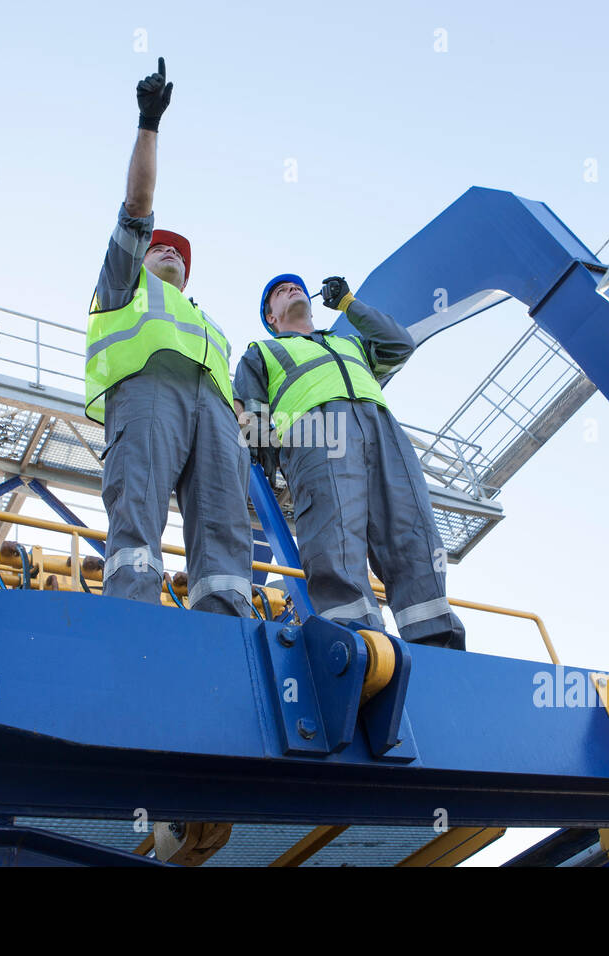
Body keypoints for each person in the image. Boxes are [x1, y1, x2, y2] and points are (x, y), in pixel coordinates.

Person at [84, 58, 251, 616]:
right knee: (138, 512)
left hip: (216, 412)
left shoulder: (212, 328)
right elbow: (137, 208)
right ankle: (130, 620)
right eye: (161, 247)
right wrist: (149, 122)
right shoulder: (125, 286)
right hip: (149, 390)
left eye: (180, 251)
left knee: (228, 529)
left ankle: (226, 631)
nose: (170, 250)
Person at [232, 274, 465, 649]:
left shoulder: (349, 342)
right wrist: (274, 463)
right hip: (316, 434)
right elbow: (253, 422)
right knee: (334, 537)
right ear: (271, 318)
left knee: (412, 532)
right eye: (278, 292)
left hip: (382, 428)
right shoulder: (262, 351)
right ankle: (358, 645)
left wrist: (349, 305)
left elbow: (399, 344)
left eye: (294, 286)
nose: (291, 289)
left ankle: (437, 644)